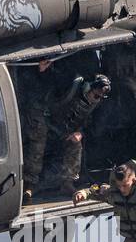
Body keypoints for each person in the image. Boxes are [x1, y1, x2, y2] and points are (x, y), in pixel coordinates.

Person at [24, 69, 111, 202]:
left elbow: (94, 125)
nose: (96, 100)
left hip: (62, 128)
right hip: (43, 116)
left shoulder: (95, 104)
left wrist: (80, 133)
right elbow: (47, 85)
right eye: (96, 96)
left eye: (100, 98)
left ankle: (67, 182)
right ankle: (29, 183)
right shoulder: (70, 84)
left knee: (76, 144)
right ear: (88, 87)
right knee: (39, 137)